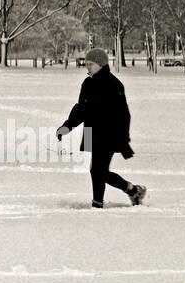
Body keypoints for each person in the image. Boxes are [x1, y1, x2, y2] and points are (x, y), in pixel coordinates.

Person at [57, 48, 146, 208]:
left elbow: (123, 115)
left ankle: (99, 203)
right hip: (92, 132)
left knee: (98, 171)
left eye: (90, 64)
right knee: (97, 171)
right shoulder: (88, 83)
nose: (87, 67)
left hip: (109, 134)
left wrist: (123, 140)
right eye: (86, 64)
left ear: (101, 64)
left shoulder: (114, 85)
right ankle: (132, 190)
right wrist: (67, 126)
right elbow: (81, 109)